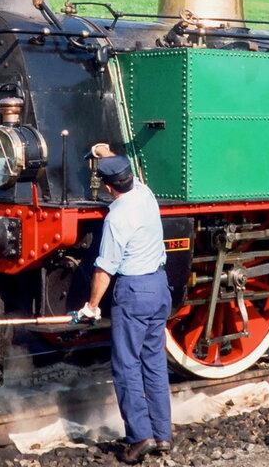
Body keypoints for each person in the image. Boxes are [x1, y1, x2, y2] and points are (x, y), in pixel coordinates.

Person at [77, 143, 172, 464]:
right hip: (160, 287)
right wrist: (106, 153)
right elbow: (122, 171)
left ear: (107, 187)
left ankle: (139, 437)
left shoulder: (117, 217)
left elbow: (105, 269)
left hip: (134, 293)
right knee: (154, 363)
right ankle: (162, 434)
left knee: (126, 365)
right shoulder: (145, 194)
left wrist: (91, 306)